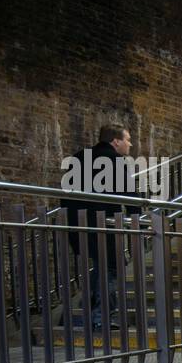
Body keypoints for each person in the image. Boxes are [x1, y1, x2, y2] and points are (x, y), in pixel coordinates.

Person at [62, 124, 137, 331]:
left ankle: (90, 314)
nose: (130, 144)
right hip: (104, 224)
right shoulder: (114, 160)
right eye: (127, 139)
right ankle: (100, 317)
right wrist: (137, 218)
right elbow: (129, 195)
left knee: (99, 267)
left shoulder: (78, 158)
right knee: (112, 267)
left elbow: (67, 194)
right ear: (115, 141)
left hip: (79, 224)